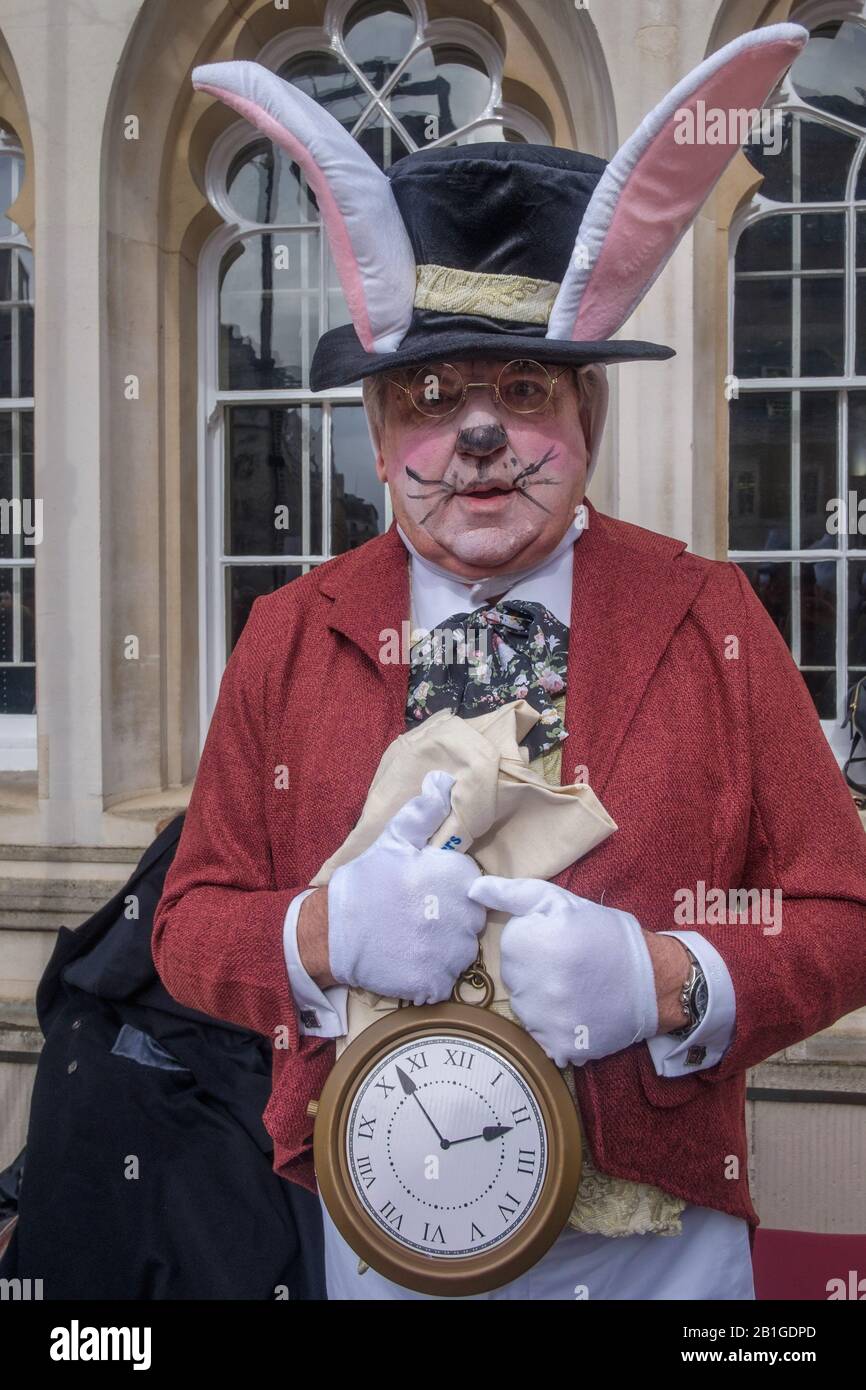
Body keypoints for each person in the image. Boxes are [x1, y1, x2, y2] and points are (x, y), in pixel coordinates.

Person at [153, 23, 866, 1299]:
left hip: (656, 1258)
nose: (476, 434)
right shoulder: (286, 631)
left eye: (524, 390)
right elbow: (190, 926)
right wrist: (319, 934)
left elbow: (841, 916)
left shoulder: (707, 613)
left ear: (583, 418)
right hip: (379, 1236)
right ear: (376, 435)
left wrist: (666, 974)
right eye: (428, 398)